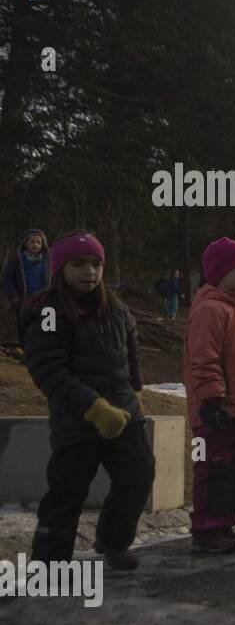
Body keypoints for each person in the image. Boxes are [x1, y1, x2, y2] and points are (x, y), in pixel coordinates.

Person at [22, 233, 154, 571]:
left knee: (138, 476)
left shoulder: (118, 309)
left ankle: (114, 541)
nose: (89, 272)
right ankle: (51, 565)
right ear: (60, 269)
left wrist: (135, 396)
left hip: (125, 416)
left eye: (95, 264)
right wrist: (95, 409)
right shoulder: (48, 312)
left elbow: (132, 357)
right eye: (78, 264)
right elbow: (48, 371)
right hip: (77, 421)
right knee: (67, 494)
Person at [185, 237, 235, 554]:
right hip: (212, 410)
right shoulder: (209, 309)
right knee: (211, 468)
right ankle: (206, 530)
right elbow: (204, 359)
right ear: (217, 271)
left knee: (234, 468)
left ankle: (224, 525)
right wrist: (212, 400)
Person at [3, 228, 50, 345]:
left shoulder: (48, 260)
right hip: (24, 299)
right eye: (32, 242)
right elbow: (7, 280)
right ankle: (28, 353)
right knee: (26, 328)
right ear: (25, 243)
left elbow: (55, 279)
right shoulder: (16, 260)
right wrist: (15, 298)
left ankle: (47, 353)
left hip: (45, 299)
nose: (35, 245)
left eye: (38, 242)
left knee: (47, 327)